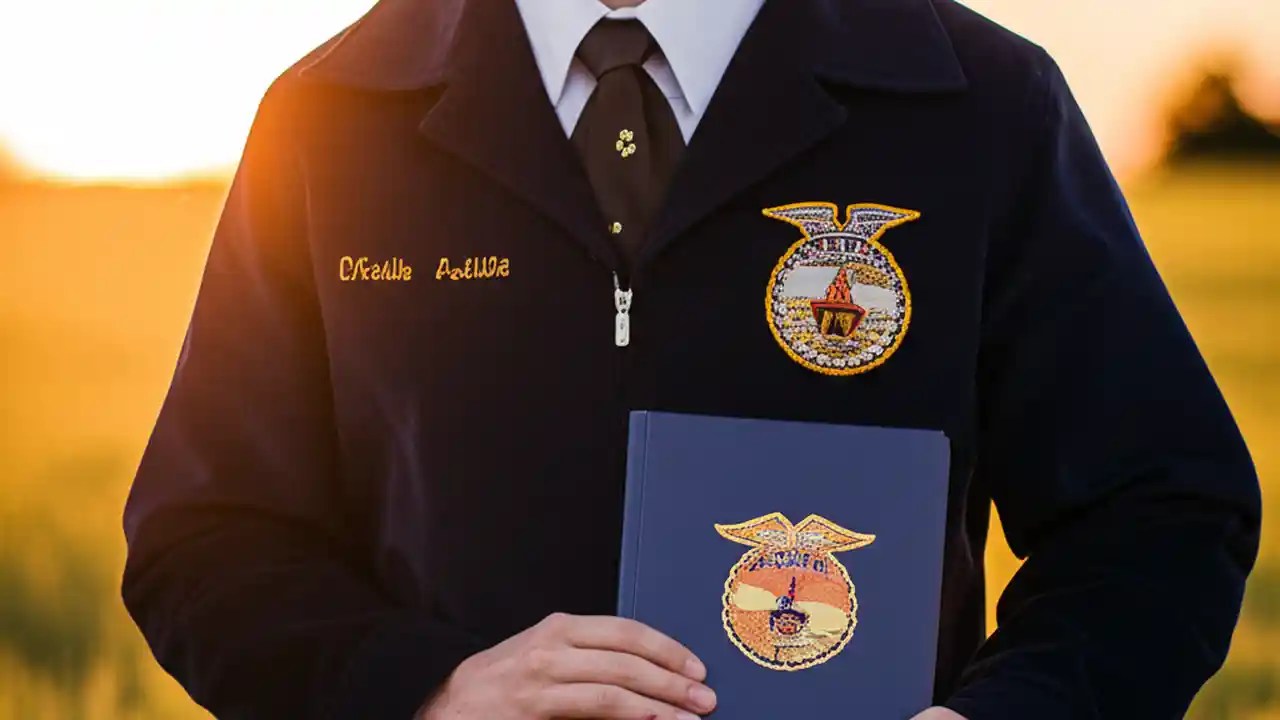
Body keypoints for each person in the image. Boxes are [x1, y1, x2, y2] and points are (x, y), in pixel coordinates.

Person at [121, 0, 1262, 718]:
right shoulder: (327, 116)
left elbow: (1158, 512)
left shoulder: (981, 103)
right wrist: (423, 689)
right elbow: (203, 537)